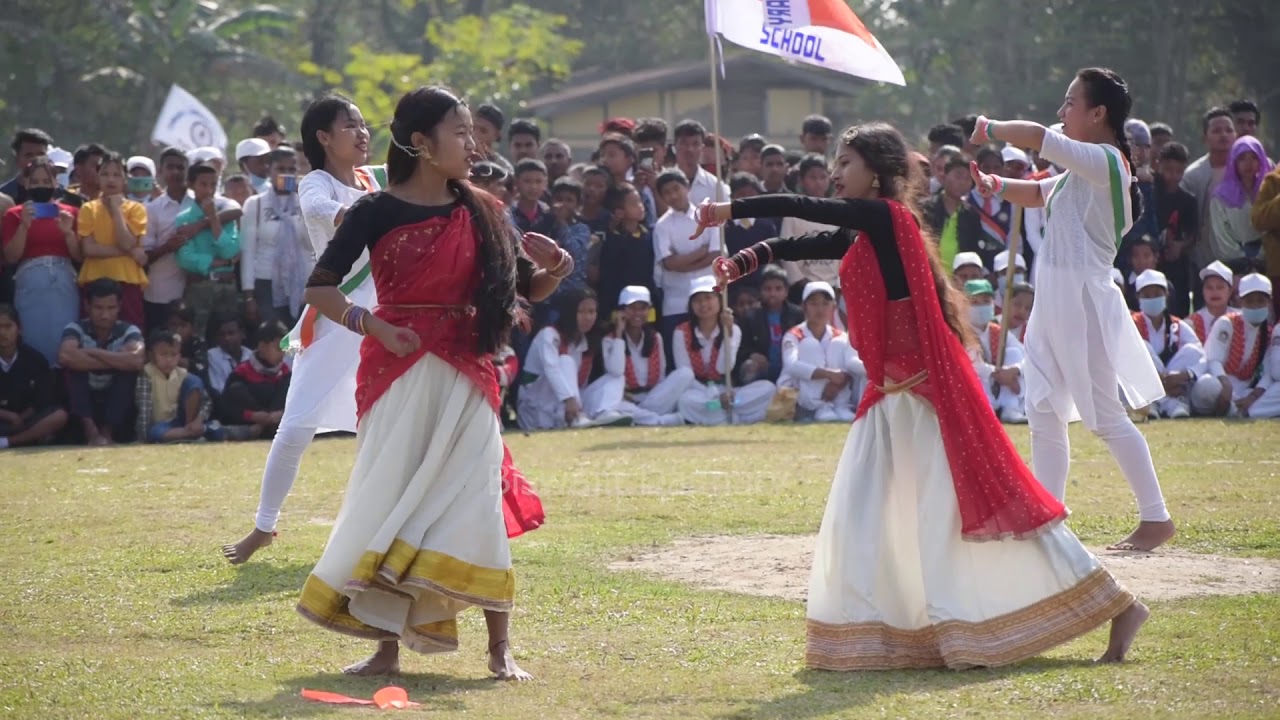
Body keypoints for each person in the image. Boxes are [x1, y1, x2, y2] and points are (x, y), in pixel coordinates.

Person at [699, 120, 1147, 670]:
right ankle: (888, 635)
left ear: (879, 173)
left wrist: (728, 211)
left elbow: (809, 210)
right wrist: (747, 258)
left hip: (920, 401)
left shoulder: (885, 216)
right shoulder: (874, 225)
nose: (838, 174)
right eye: (836, 164)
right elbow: (815, 239)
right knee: (867, 515)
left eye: (847, 164)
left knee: (966, 514)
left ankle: (1113, 603)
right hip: (891, 398)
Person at [294, 85, 560, 680]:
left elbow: (520, 289)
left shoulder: (483, 210)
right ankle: (385, 648)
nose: (474, 143)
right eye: (461, 132)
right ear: (420, 143)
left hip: (469, 371)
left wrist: (556, 273)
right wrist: (376, 328)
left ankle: (500, 650)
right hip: (396, 370)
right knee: (390, 498)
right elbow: (320, 288)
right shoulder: (375, 209)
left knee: (477, 501)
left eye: (473, 132)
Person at [968, 67, 1175, 552]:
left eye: (1070, 103)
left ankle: (1156, 518)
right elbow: (1039, 193)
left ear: (1098, 113)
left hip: (1084, 305)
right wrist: (995, 184)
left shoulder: (1108, 162)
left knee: (1105, 417)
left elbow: (1040, 137)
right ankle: (1048, 519)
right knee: (1041, 409)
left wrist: (989, 128)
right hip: (1051, 305)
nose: (1062, 112)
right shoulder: (1077, 173)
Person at [222, 94, 385, 565]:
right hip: (338, 319)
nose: (362, 133)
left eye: (363, 125)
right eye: (350, 125)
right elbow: (321, 210)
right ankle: (264, 526)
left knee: (385, 430)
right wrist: (368, 214)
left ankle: (384, 535)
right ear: (324, 137)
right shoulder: (315, 183)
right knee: (294, 430)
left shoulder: (378, 180)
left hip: (390, 322)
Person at [1, 156, 81, 365]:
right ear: (27, 183)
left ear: (55, 183)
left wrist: (68, 233)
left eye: (46, 181)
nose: (41, 186)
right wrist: (24, 226)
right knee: (33, 335)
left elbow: (79, 256)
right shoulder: (15, 215)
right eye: (35, 181)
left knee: (65, 334)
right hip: (30, 283)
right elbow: (11, 257)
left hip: (64, 283)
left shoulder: (70, 213)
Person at [516, 289, 629, 430]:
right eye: (581, 312)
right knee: (566, 361)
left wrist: (618, 333)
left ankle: (604, 412)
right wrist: (569, 399)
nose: (588, 317)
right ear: (570, 312)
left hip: (569, 405)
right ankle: (577, 417)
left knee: (616, 377)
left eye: (592, 312)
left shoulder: (583, 341)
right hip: (537, 407)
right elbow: (552, 369)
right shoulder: (548, 335)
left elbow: (614, 371)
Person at [673, 276, 776, 425]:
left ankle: (722, 415)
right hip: (700, 391)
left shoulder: (733, 329)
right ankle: (737, 417)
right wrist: (714, 397)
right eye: (698, 300)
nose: (703, 304)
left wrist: (729, 334)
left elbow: (724, 368)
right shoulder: (681, 332)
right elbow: (685, 374)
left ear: (720, 300)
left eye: (708, 298)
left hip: (728, 390)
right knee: (686, 401)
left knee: (768, 388)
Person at [59, 278, 145, 445]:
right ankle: (90, 431)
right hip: (83, 400)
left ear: (119, 307)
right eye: (98, 308)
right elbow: (66, 356)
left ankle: (107, 432)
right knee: (74, 372)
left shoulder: (129, 330)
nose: (105, 315)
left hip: (115, 399)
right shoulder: (75, 327)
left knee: (127, 374)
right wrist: (116, 359)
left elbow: (136, 360)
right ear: (87, 306)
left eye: (111, 308)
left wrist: (92, 353)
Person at [599, 286, 692, 426]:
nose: (638, 313)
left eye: (642, 308)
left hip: (653, 398)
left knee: (685, 373)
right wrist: (619, 332)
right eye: (631, 308)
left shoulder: (655, 337)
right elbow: (615, 372)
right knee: (616, 406)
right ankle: (657, 420)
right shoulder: (610, 339)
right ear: (621, 311)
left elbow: (661, 377)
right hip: (626, 400)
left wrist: (658, 397)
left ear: (649, 311)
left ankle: (643, 417)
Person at [76, 153, 149, 329]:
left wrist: (116, 209)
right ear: (98, 177)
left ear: (125, 179)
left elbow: (126, 241)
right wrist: (131, 252)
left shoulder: (136, 209)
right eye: (105, 174)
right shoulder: (88, 208)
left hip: (127, 280)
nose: (111, 179)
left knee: (130, 333)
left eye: (116, 175)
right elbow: (89, 249)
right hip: (95, 279)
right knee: (92, 334)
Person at [1190, 274, 1277, 418]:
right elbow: (1213, 360)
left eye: (1260, 301)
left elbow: (1268, 373)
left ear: (1269, 302)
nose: (1255, 306)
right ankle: (1239, 411)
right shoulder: (1227, 322)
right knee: (1206, 385)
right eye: (1250, 301)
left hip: (1248, 390)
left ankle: (1243, 410)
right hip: (1220, 383)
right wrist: (1225, 385)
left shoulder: (1268, 331)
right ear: (1240, 301)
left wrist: (1253, 397)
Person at [780, 281, 864, 422]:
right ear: (804, 307)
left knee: (837, 344)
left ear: (833, 307)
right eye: (814, 303)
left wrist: (839, 381)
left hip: (838, 394)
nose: (820, 309)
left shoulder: (840, 336)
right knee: (809, 345)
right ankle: (820, 407)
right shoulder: (794, 334)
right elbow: (791, 365)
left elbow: (851, 365)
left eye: (825, 304)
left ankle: (840, 406)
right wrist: (829, 375)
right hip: (800, 393)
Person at [1131, 270, 1204, 419]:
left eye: (1157, 294)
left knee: (1191, 350)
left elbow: (1199, 354)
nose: (1152, 298)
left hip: (1174, 380)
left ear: (1166, 295)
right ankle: (1165, 402)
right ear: (1138, 297)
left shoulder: (1177, 325)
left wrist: (1183, 375)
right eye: (1147, 295)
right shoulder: (1130, 323)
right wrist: (1159, 382)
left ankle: (1167, 402)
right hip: (1144, 383)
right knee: (1142, 347)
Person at [0, 305, 68, 448]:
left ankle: (7, 442)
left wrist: (21, 418)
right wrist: (8, 416)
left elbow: (42, 398)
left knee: (59, 415)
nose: (2, 332)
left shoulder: (34, 359)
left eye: (8, 326)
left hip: (26, 421)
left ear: (19, 329)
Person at [965, 279, 1027, 423]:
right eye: (975, 302)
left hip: (1000, 386)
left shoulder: (997, 331)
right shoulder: (961, 332)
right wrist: (998, 373)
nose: (981, 306)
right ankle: (986, 409)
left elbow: (1025, 355)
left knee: (1014, 354)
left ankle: (1011, 409)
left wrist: (1014, 371)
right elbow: (974, 365)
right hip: (978, 387)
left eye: (986, 301)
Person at [135, 328, 210, 443]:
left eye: (173, 355)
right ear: (151, 355)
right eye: (163, 354)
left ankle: (190, 431)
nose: (169, 360)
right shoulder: (147, 374)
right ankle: (190, 434)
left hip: (183, 420)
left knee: (194, 381)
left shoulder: (182, 374)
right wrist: (143, 438)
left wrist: (198, 421)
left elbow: (207, 402)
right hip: (162, 424)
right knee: (155, 432)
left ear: (179, 356)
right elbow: (144, 408)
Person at [1209, 136, 1272, 263]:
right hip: (1234, 264)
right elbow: (1221, 234)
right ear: (1234, 162)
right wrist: (1242, 259)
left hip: (1268, 260)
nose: (1249, 163)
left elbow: (1273, 228)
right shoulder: (1220, 197)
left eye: (1253, 157)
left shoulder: (1270, 192)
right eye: (1242, 158)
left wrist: (1260, 256)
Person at [1188, 261, 1235, 343]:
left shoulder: (1241, 319)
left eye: (1220, 287)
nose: (1214, 292)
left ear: (1230, 291)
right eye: (1209, 287)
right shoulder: (1191, 323)